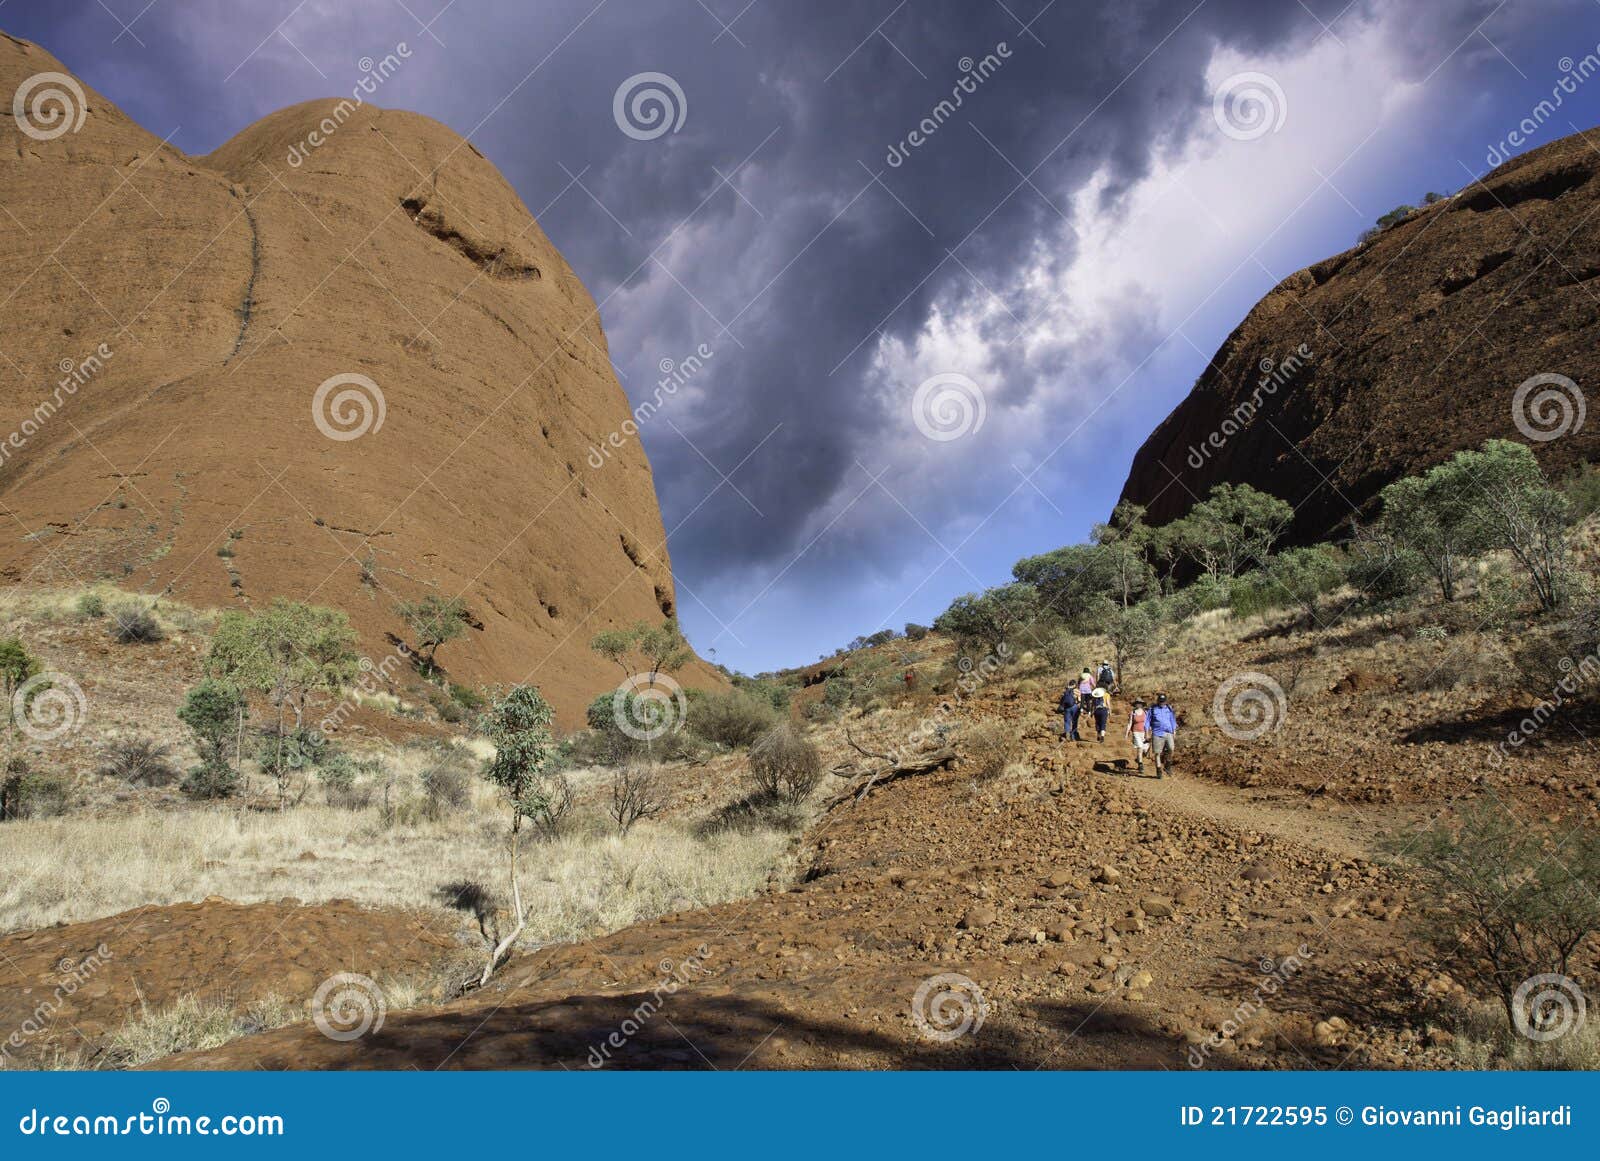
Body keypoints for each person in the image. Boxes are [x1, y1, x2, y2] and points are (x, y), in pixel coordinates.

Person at [1148, 692, 1177, 778]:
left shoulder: (1169, 708)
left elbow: (1172, 719)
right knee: (1157, 753)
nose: (1162, 703)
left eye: (1163, 701)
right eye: (1160, 701)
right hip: (1157, 733)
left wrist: (1174, 730)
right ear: (1158, 701)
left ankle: (1167, 765)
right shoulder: (1152, 709)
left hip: (1168, 732)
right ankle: (1159, 770)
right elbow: (1147, 721)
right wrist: (1147, 732)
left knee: (1171, 748)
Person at [1125, 698, 1149, 774]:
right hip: (1136, 732)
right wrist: (1127, 733)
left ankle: (1139, 759)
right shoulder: (1133, 713)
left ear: (1142, 704)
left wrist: (1149, 732)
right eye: (1137, 703)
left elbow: (1148, 723)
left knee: (1145, 749)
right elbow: (1130, 723)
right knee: (1140, 747)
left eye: (1140, 703)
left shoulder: (1146, 712)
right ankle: (1141, 765)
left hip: (1144, 732)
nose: (1138, 704)